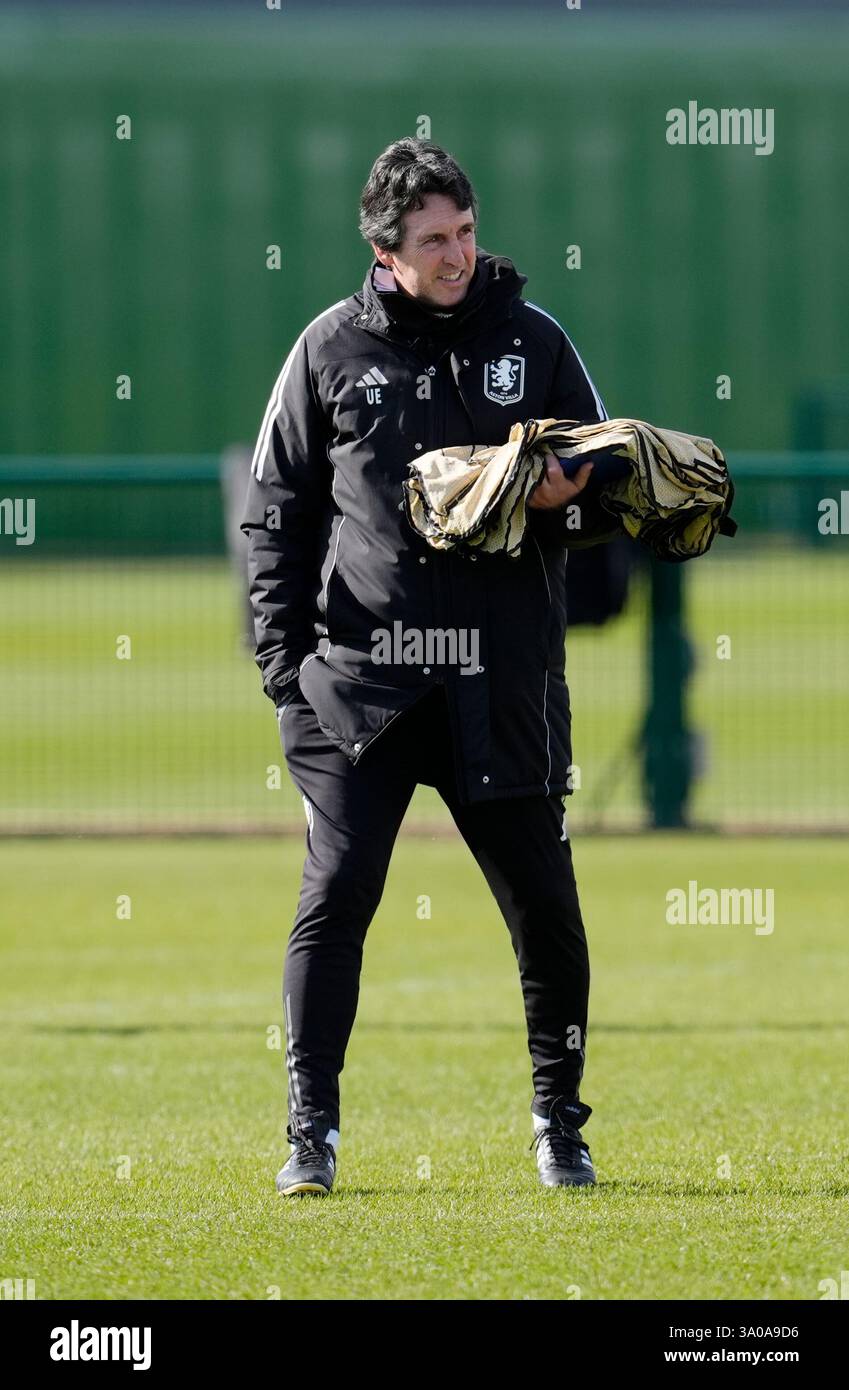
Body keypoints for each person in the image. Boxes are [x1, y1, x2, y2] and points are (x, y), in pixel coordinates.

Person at [241, 137, 619, 1197]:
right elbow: (277, 513)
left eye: (465, 231)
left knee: (545, 908)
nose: (458, 254)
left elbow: (605, 487)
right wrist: (284, 672)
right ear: (385, 250)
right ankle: (309, 1130)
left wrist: (570, 498)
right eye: (433, 241)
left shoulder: (534, 340)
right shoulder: (327, 350)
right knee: (338, 893)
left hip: (501, 682)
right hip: (364, 687)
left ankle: (562, 1124)